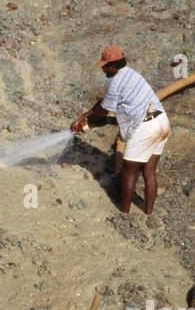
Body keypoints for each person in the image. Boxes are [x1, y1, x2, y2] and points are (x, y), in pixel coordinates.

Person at [71, 45, 170, 216]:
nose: (103, 69)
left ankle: (124, 213)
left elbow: (101, 112)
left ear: (113, 66)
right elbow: (103, 105)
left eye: (105, 66)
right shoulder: (131, 74)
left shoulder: (116, 81)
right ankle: (148, 212)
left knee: (129, 172)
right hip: (162, 122)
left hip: (145, 129)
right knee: (149, 172)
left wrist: (85, 122)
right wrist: (82, 118)